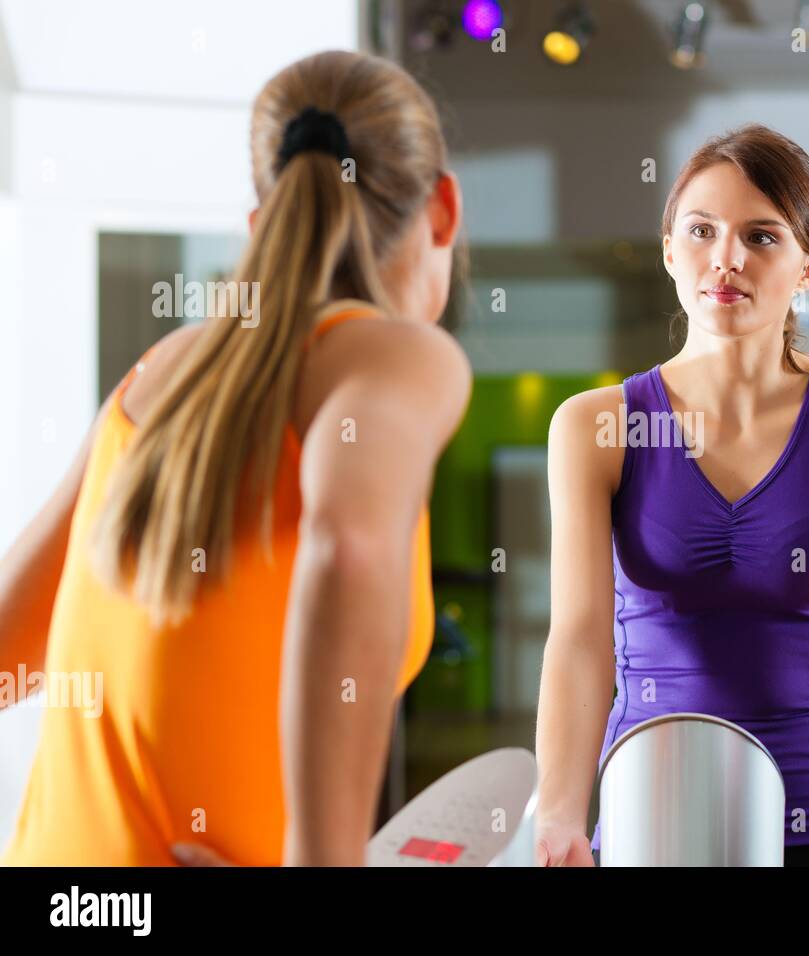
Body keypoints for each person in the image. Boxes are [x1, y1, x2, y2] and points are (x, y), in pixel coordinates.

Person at [0, 49, 470, 866]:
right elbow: (351, 546)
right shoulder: (398, 358)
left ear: (264, 222)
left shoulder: (161, 375)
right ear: (442, 210)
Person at [534, 124, 809, 867]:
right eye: (703, 230)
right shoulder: (596, 427)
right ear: (670, 249)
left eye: (762, 237)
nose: (727, 259)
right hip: (651, 813)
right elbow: (580, 642)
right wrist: (557, 813)